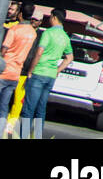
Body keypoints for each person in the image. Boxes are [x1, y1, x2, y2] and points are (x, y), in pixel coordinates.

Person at [19, 8, 73, 139]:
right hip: (50, 75)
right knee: (41, 109)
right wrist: (57, 70)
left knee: (28, 109)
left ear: (54, 17)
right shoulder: (65, 37)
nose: (49, 19)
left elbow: (39, 53)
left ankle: (22, 136)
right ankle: (37, 136)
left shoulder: (48, 33)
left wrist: (30, 71)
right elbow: (69, 58)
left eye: (50, 17)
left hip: (39, 73)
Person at [0, 3, 38, 133]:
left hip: (5, 70)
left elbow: (4, 50)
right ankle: (3, 129)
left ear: (20, 14)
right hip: (16, 73)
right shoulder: (33, 33)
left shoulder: (14, 29)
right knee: (5, 104)